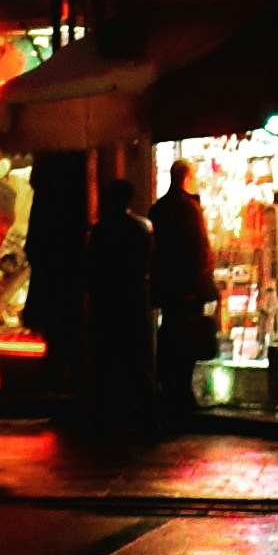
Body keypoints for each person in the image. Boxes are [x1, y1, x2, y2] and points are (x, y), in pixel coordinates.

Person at [147, 156, 220, 428]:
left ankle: (169, 390)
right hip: (187, 288)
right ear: (187, 179)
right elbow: (199, 249)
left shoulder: (158, 209)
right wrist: (204, 283)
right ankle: (181, 394)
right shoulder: (189, 209)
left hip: (167, 288)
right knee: (186, 340)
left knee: (170, 335)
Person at [85, 180, 156, 434]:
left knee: (105, 360)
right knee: (138, 361)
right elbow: (146, 264)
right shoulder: (141, 229)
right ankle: (146, 418)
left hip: (107, 302)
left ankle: (104, 417)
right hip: (133, 300)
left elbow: (91, 269)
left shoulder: (101, 231)